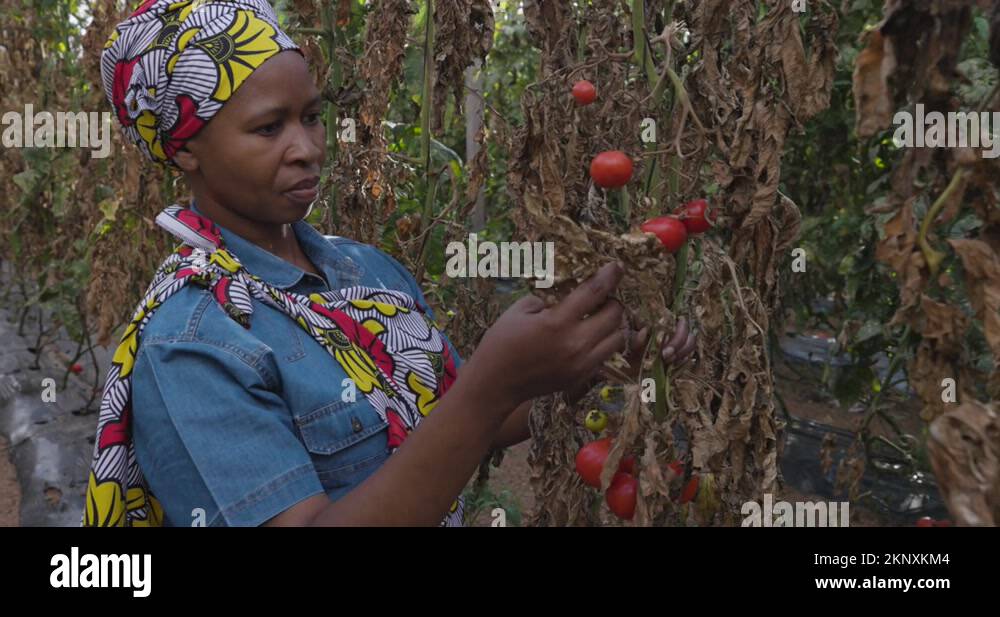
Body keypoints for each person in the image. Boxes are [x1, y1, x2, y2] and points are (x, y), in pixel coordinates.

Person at [83, 0, 696, 527]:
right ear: (186, 148)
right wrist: (489, 388)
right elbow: (474, 407)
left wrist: (585, 361)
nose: (308, 148)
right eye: (269, 128)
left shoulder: (364, 271)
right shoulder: (193, 343)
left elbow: (463, 421)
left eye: (312, 118)